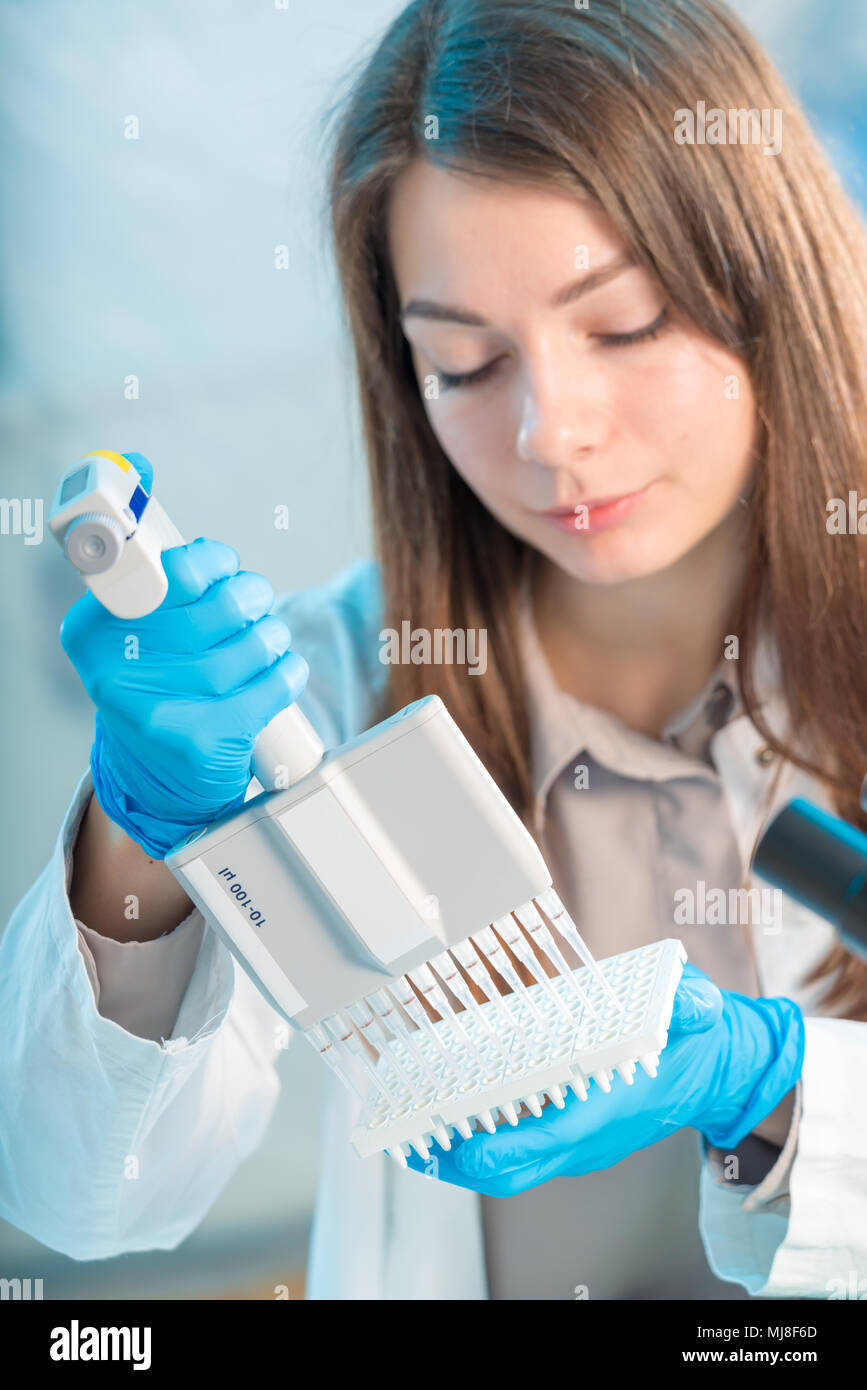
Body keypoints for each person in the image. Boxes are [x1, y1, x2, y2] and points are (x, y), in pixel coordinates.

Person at [2, 0, 866, 1300]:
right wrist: (143, 846)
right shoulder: (333, 689)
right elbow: (82, 1190)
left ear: (770, 274)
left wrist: (783, 1084)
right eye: (462, 363)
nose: (548, 433)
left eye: (622, 324)